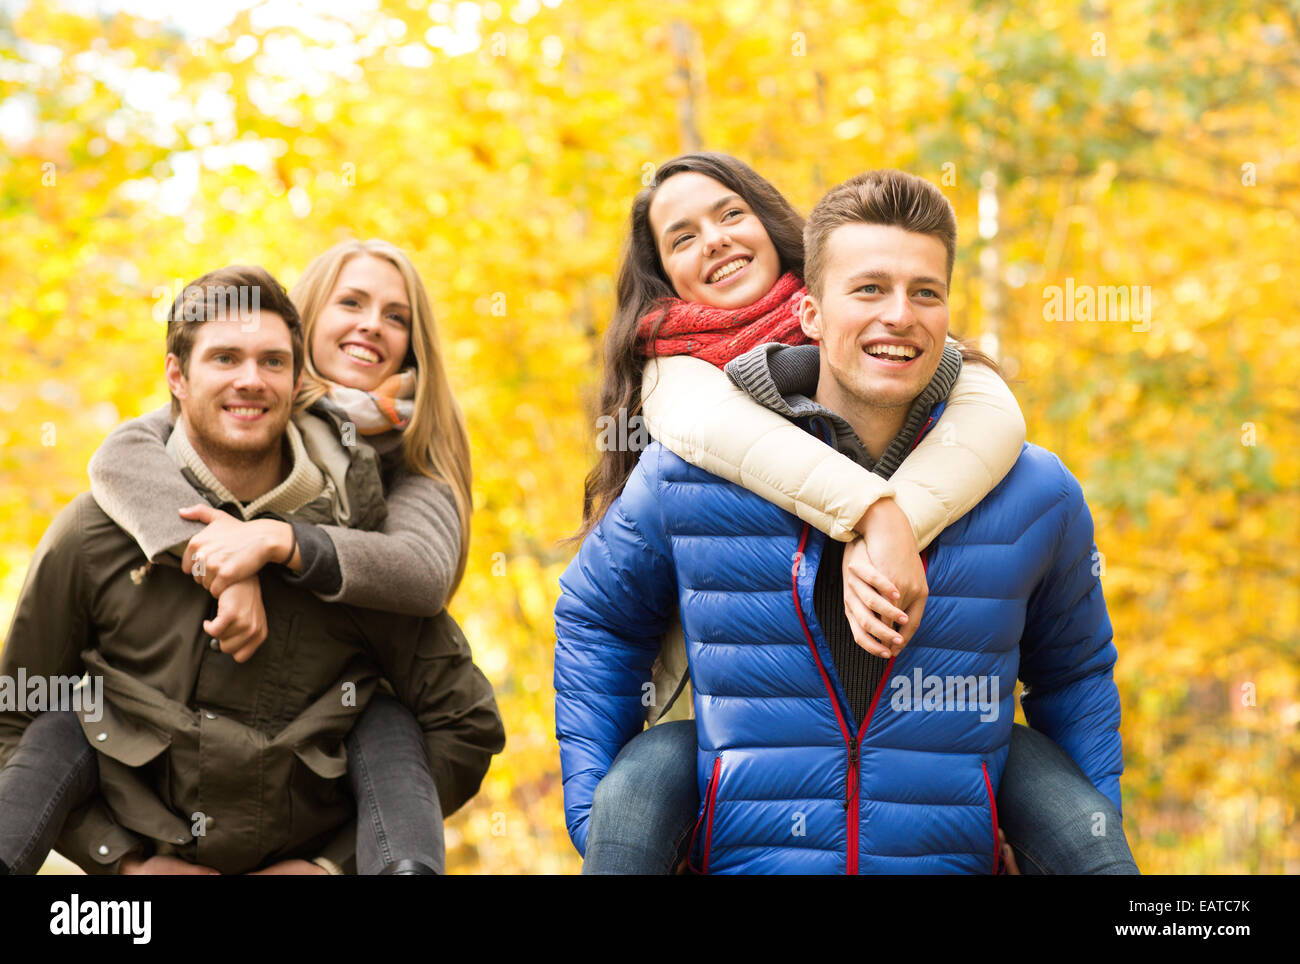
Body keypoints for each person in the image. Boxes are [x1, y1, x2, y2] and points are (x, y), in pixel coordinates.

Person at [554, 167, 1132, 873]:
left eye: (926, 292)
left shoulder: (1036, 492)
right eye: (868, 290)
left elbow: (1074, 675)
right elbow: (597, 619)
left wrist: (1084, 839)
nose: (899, 315)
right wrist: (600, 816)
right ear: (811, 314)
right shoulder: (689, 472)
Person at [0, 264, 503, 875]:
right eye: (225, 359)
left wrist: (325, 865)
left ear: (297, 382)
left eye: (271, 362)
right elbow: (14, 716)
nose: (250, 380)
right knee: (59, 723)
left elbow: (464, 725)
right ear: (177, 377)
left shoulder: (358, 548)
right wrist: (124, 864)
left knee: (387, 720)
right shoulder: (94, 533)